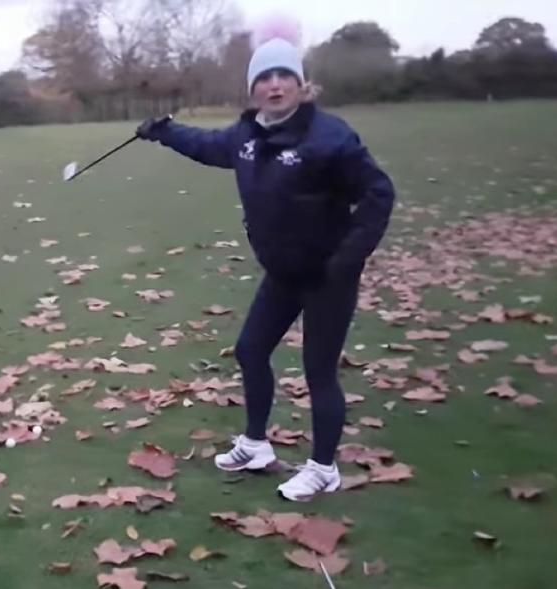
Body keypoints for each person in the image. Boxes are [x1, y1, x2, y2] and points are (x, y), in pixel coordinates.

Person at [136, 28, 395, 501]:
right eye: (265, 77)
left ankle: (323, 468)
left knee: (318, 371)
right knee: (251, 351)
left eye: (284, 75)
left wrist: (348, 258)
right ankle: (255, 444)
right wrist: (164, 132)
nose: (275, 85)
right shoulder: (247, 135)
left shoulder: (330, 138)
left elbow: (379, 194)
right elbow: (209, 145)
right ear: (253, 87)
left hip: (326, 275)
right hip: (283, 272)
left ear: (301, 84)